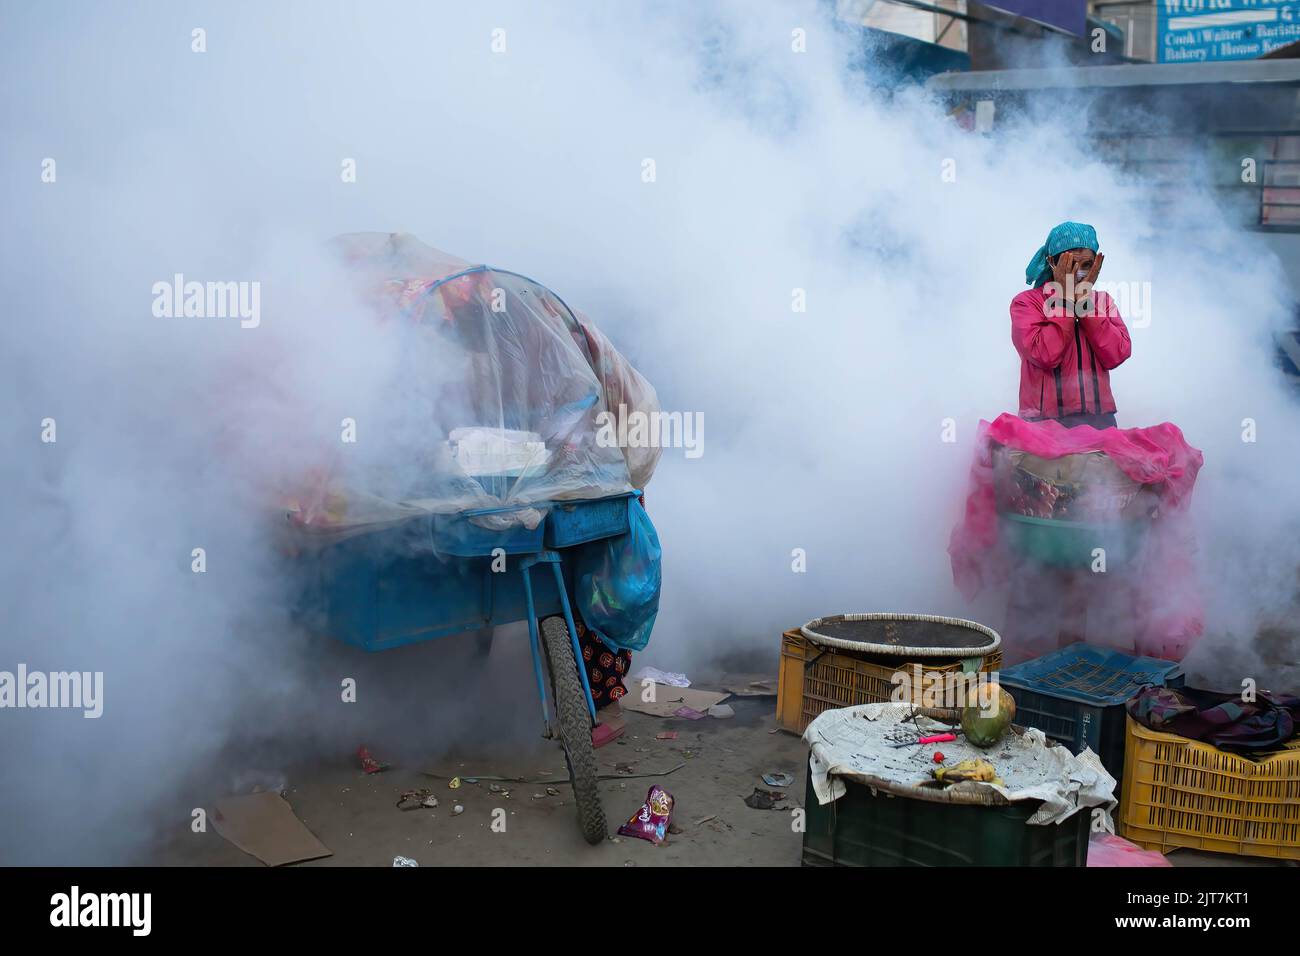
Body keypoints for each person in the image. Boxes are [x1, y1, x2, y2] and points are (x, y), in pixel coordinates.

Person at [1010, 221, 1131, 429]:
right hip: (1043, 423)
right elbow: (1044, 354)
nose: (1080, 273)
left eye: (1087, 265)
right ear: (1052, 262)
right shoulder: (1026, 302)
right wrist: (1065, 301)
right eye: (1072, 264)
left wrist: (1085, 304)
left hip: (1099, 421)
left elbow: (1117, 353)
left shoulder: (1102, 301)